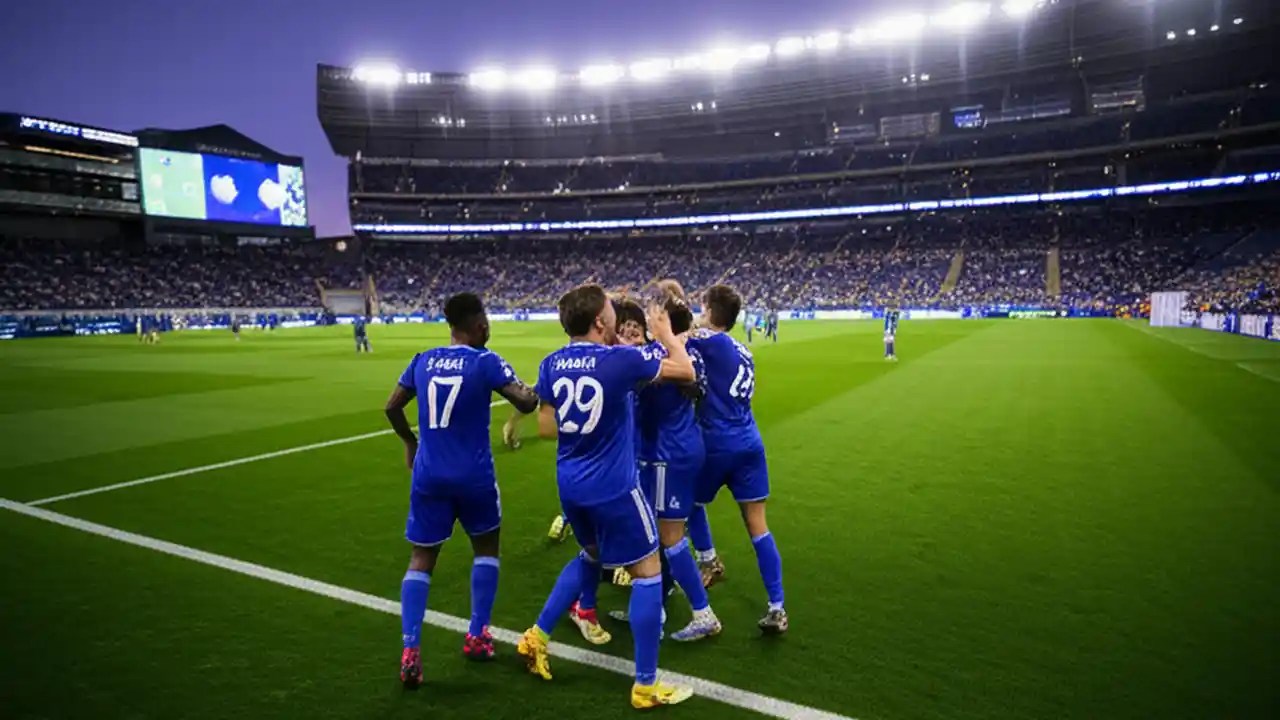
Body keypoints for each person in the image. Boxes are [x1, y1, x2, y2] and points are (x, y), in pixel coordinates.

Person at [516, 283, 696, 709]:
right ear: (600, 321)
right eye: (611, 310)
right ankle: (646, 686)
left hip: (570, 485)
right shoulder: (622, 359)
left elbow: (546, 428)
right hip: (614, 486)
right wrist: (666, 336)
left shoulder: (551, 363)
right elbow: (685, 371)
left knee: (590, 557)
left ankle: (535, 637)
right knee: (649, 572)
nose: (616, 313)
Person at [383, 292, 540, 688]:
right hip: (474, 477)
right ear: (479, 324)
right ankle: (476, 635)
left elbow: (392, 406)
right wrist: (539, 387)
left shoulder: (422, 360)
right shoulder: (485, 360)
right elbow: (524, 403)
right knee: (486, 549)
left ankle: (410, 650)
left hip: (429, 475)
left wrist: (410, 442)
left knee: (421, 557)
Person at [687, 284, 788, 634]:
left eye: (702, 306)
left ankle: (709, 559)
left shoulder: (707, 340)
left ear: (710, 311)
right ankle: (777, 607)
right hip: (750, 441)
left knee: (687, 505)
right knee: (758, 526)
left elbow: (670, 336)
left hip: (717, 442)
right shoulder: (743, 350)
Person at [634, 280, 721, 642]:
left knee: (669, 538)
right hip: (682, 446)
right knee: (660, 534)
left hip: (667, 453)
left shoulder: (665, 355)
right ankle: (656, 605)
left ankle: (703, 614)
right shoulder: (690, 352)